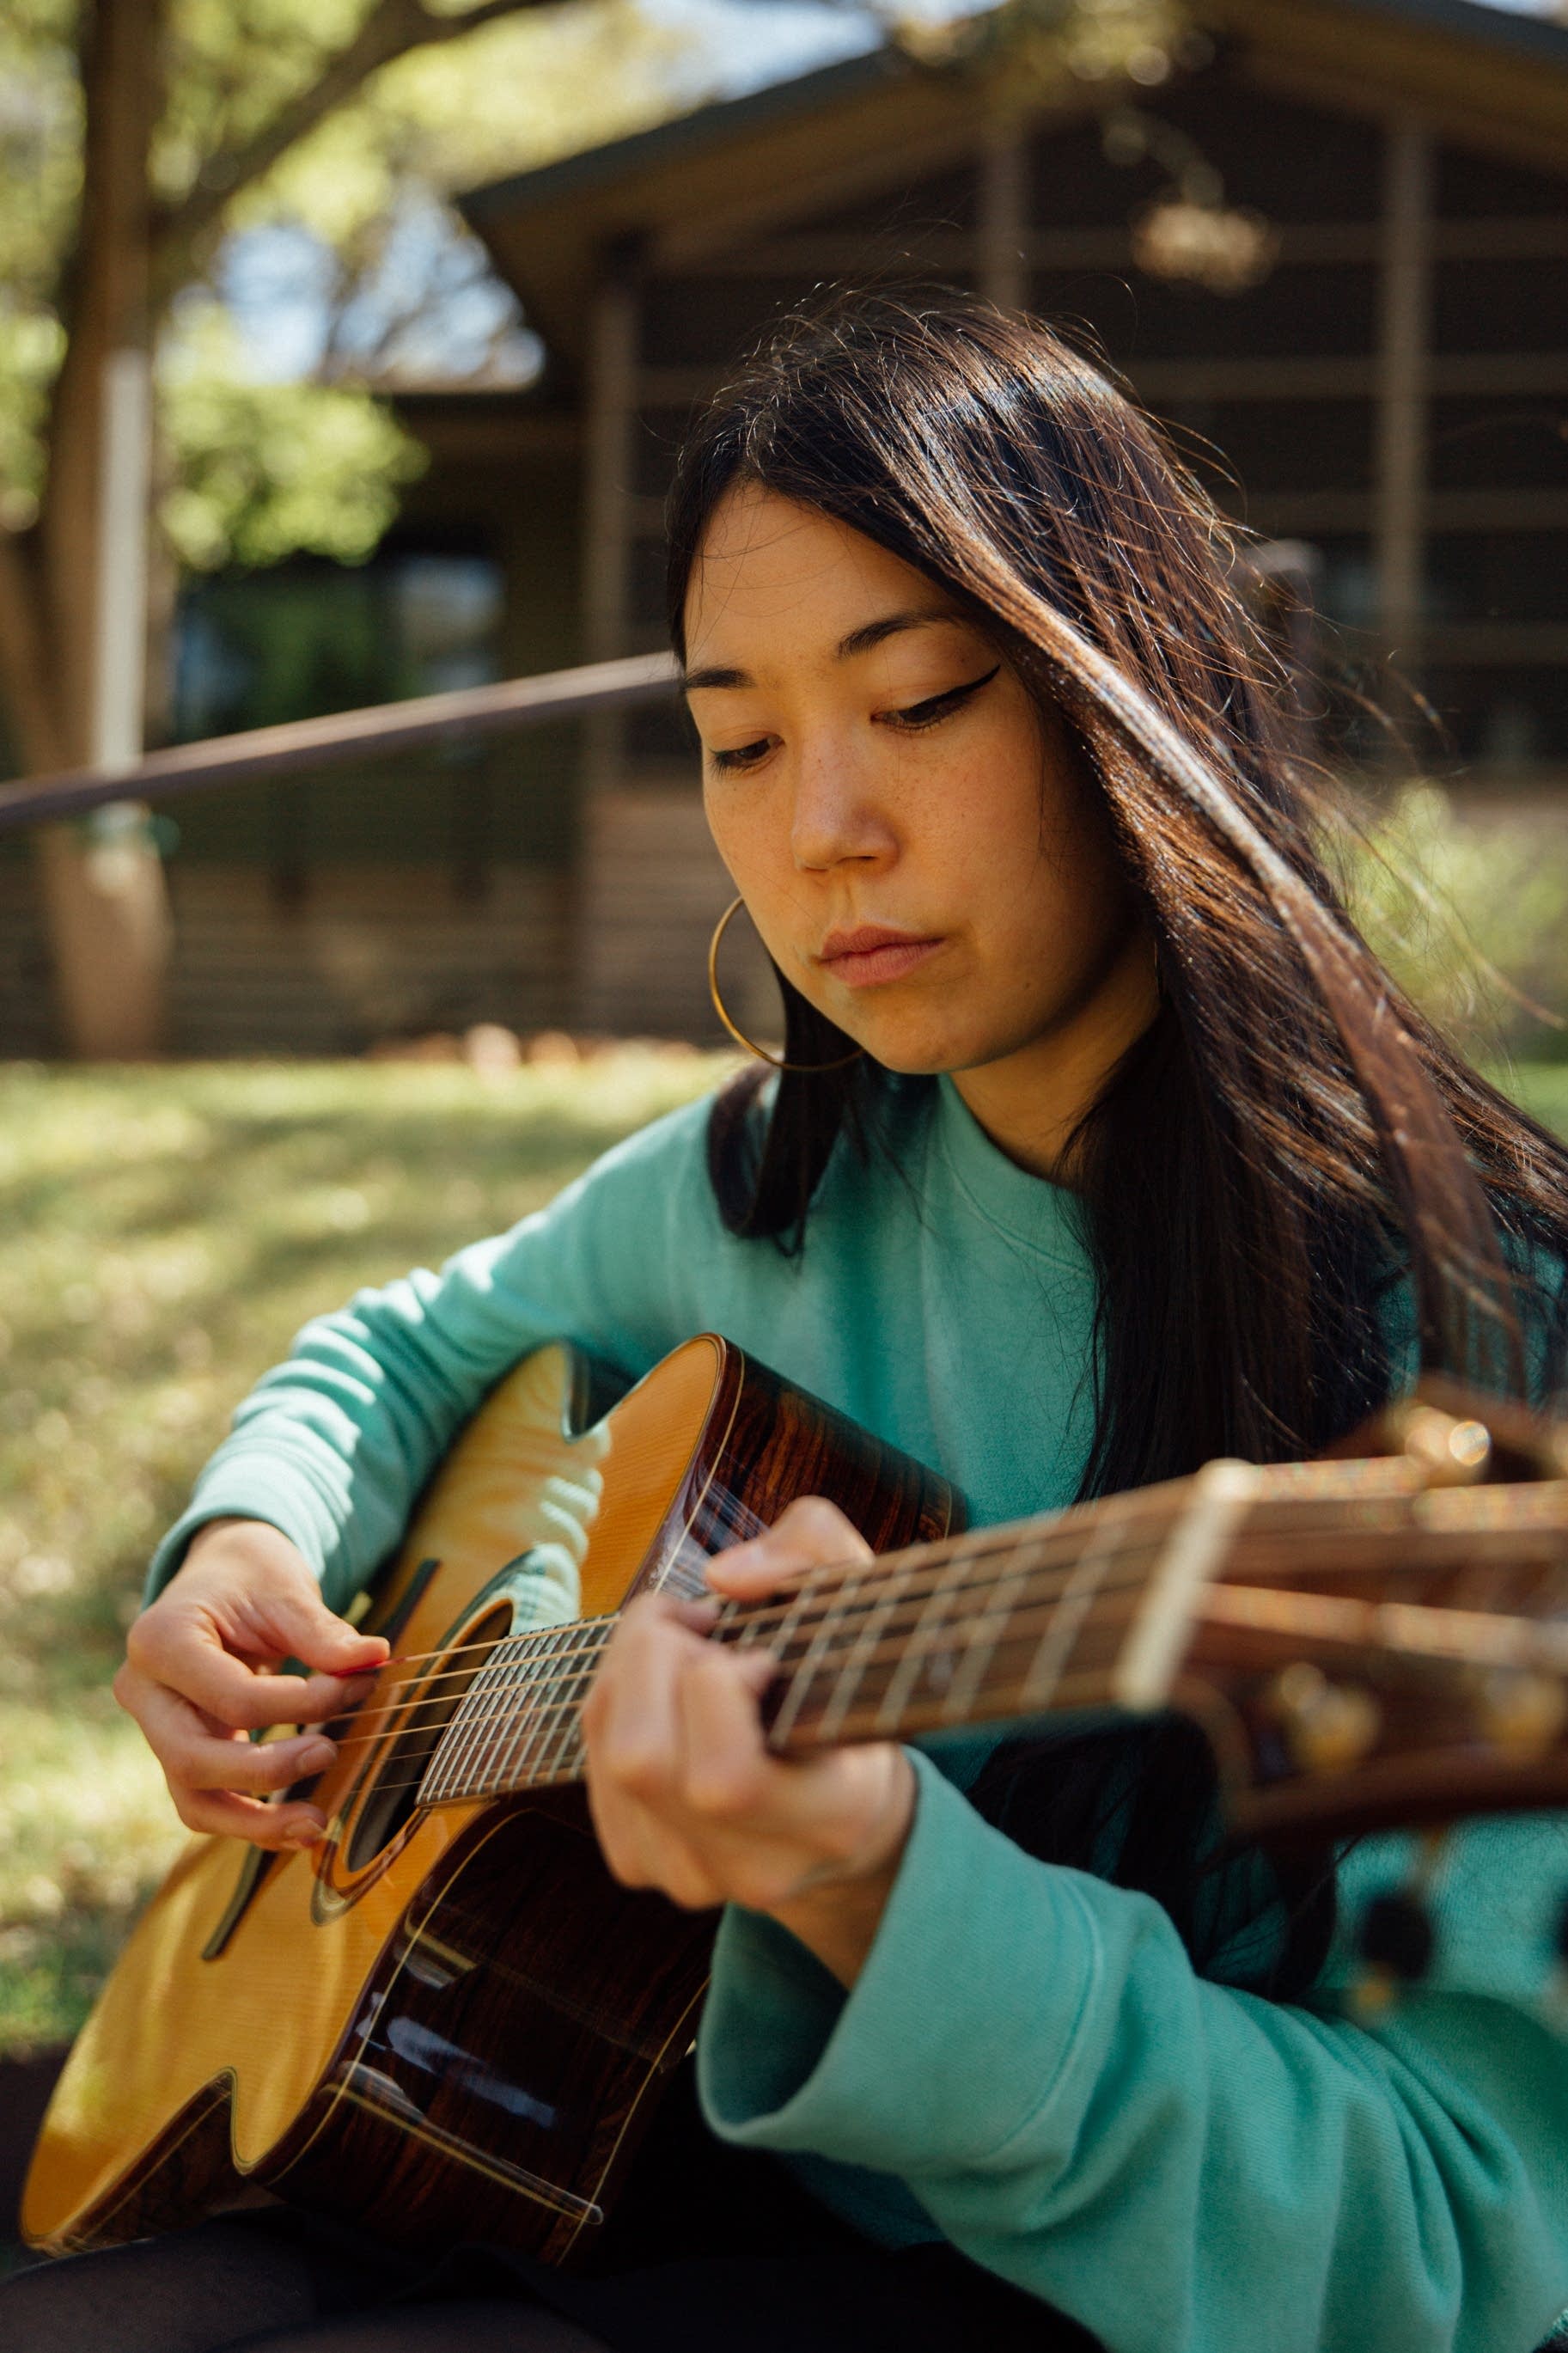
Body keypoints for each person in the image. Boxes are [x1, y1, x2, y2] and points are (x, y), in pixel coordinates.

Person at [9, 291, 1568, 2353]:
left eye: (916, 699)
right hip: (606, 2140)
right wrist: (245, 1543)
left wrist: (880, 1897)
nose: (819, 821)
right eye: (736, 736)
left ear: (1136, 688)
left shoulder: (1479, 1340)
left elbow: (1459, 2243)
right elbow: (397, 1344)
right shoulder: (765, 1180)